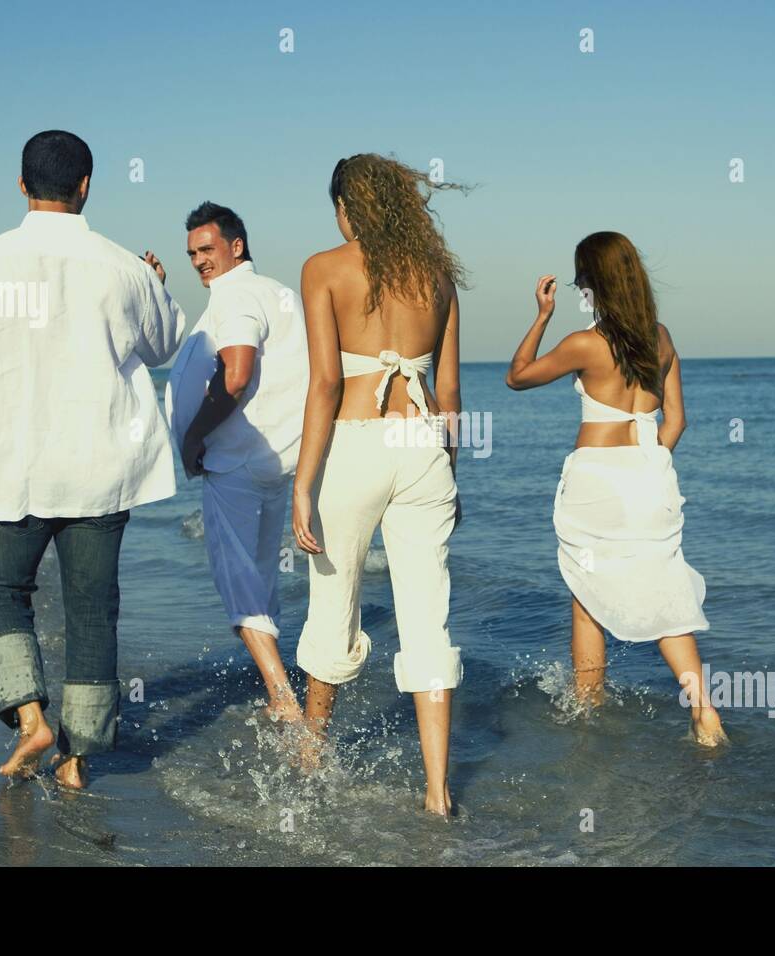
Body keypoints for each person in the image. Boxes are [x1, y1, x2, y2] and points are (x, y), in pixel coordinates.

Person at [0, 130, 186, 788]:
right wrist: (155, 285)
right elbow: (166, 344)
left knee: (0, 593)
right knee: (93, 608)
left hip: (19, 463)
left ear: (20, 185)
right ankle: (76, 760)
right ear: (87, 186)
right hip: (102, 466)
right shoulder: (124, 266)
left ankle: (33, 717)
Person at [292, 154, 468, 814]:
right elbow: (448, 389)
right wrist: (451, 469)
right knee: (429, 620)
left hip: (357, 445)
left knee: (332, 605)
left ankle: (311, 758)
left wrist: (303, 482)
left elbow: (325, 384)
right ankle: (437, 792)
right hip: (422, 445)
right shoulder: (439, 275)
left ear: (346, 208)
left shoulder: (323, 269)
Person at [505, 231, 727, 747]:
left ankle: (588, 716)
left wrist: (541, 315)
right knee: (667, 594)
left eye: (580, 276)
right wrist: (646, 468)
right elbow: (677, 421)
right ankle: (704, 711)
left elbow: (516, 377)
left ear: (593, 282)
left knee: (586, 596)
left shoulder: (586, 343)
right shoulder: (662, 336)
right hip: (652, 473)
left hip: (598, 480)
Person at [169, 202, 309, 723]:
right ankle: (284, 682)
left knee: (237, 580)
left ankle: (281, 697)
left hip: (238, 461)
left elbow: (235, 374)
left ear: (236, 246)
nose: (199, 261)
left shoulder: (235, 295)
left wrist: (193, 438)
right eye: (192, 254)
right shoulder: (279, 292)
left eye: (207, 250)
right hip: (283, 457)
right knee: (263, 577)